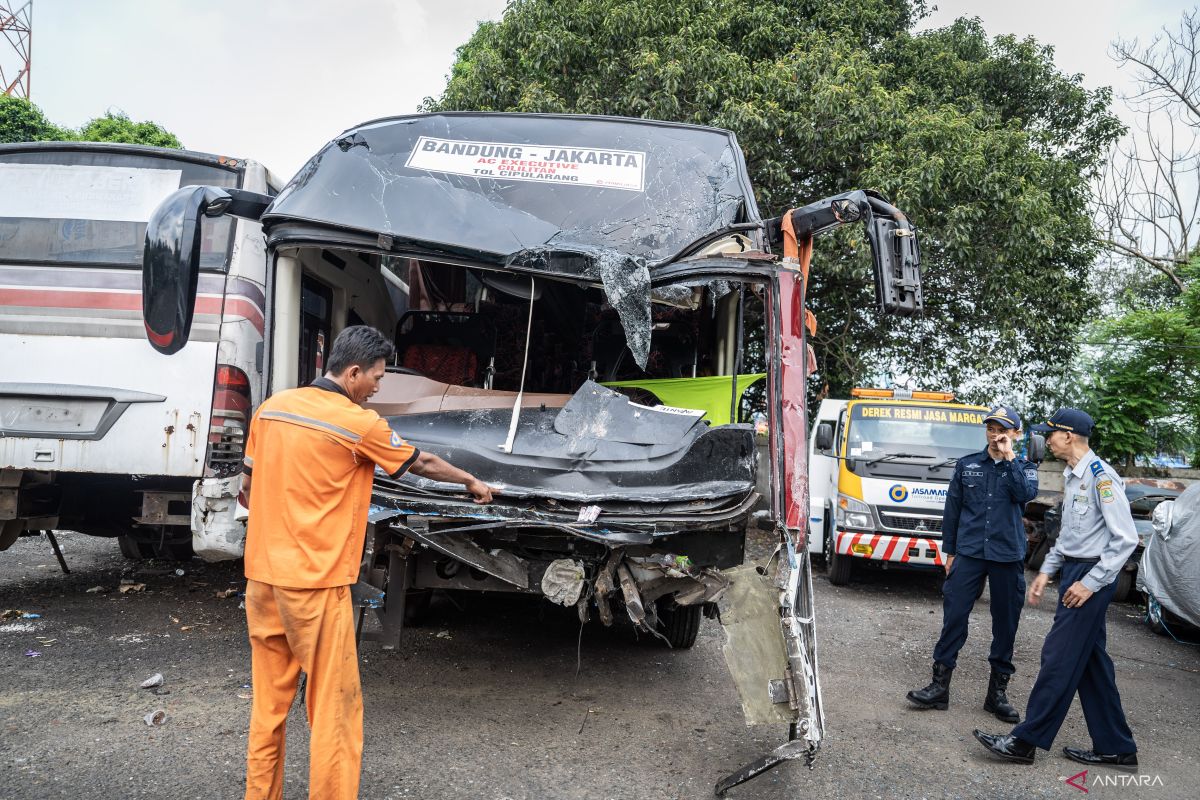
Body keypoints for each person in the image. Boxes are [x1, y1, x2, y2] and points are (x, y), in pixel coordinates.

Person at [238, 325, 494, 799]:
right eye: (376, 377)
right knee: (334, 708)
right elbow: (420, 464)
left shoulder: (272, 409)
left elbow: (248, 488)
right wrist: (471, 481)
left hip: (262, 580)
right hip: (315, 587)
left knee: (269, 706)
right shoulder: (358, 423)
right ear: (353, 373)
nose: (378, 387)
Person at [974, 408, 1139, 770]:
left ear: (1069, 436)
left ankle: (1025, 741)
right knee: (1092, 664)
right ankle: (1117, 747)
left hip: (1092, 575)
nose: (1046, 440)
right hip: (1078, 570)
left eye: (1051, 434)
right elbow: (1069, 535)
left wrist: (1090, 583)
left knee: (1058, 657)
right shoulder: (1073, 475)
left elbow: (1125, 539)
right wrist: (1047, 571)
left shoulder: (1101, 478)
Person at [907, 405, 1038, 723]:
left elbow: (1024, 495)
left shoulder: (1024, 467)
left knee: (1005, 624)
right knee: (953, 617)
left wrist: (1008, 458)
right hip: (969, 553)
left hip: (1007, 555)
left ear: (1016, 434)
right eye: (991, 429)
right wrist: (950, 552)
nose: (995, 435)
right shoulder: (967, 465)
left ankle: (997, 695)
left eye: (1002, 430)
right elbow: (952, 509)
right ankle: (939, 688)